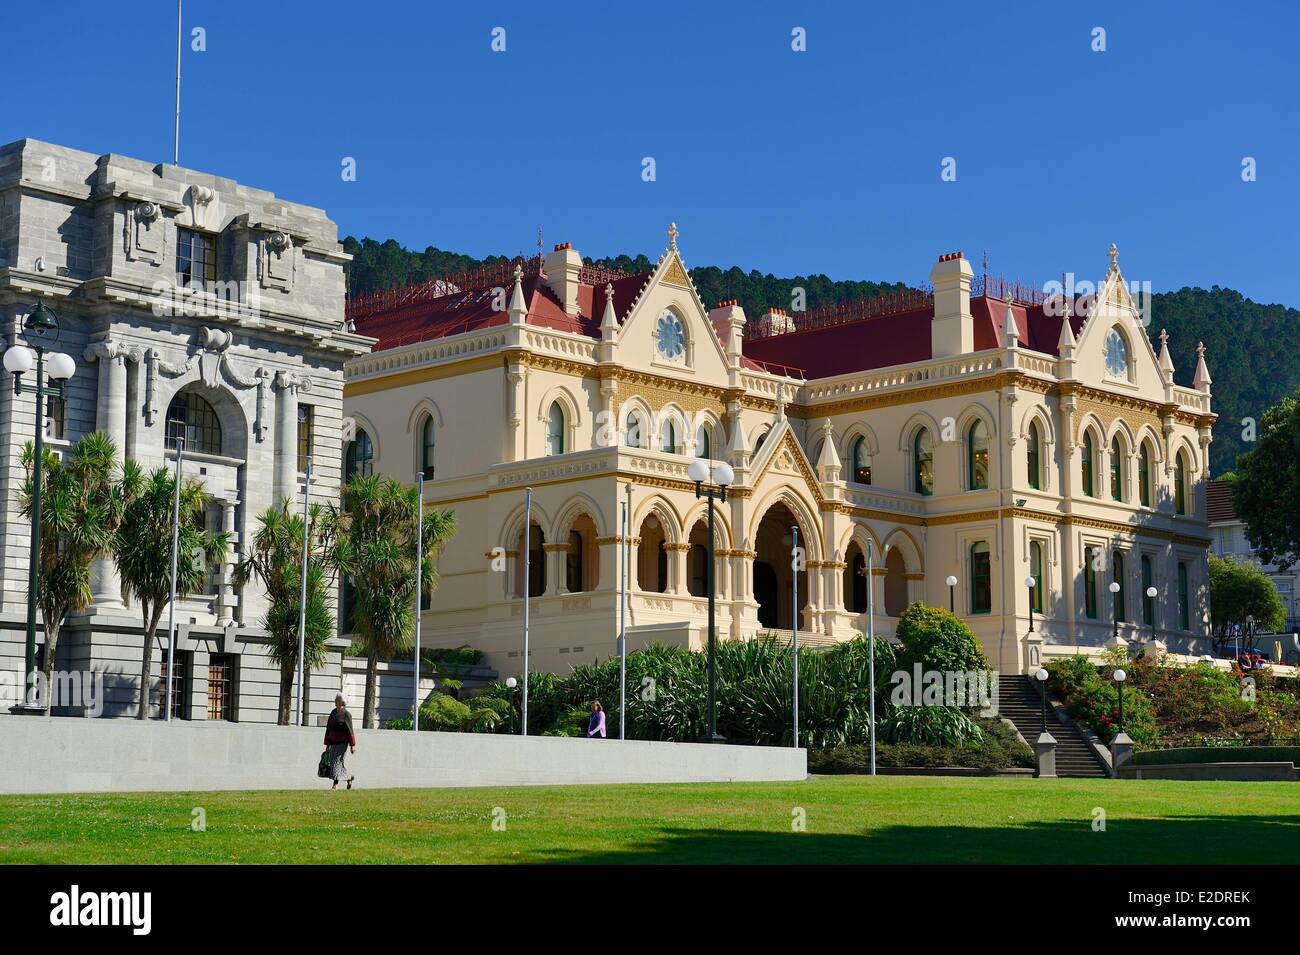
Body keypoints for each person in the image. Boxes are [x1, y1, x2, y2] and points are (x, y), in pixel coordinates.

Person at [323, 694, 356, 790]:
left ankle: (335, 785)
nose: (335, 701)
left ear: (342, 702)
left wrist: (352, 745)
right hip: (333, 742)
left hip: (342, 743)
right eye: (335, 699)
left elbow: (350, 730)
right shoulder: (333, 713)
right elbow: (328, 728)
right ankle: (349, 778)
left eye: (337, 699)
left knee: (336, 762)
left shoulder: (346, 714)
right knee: (336, 762)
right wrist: (327, 743)